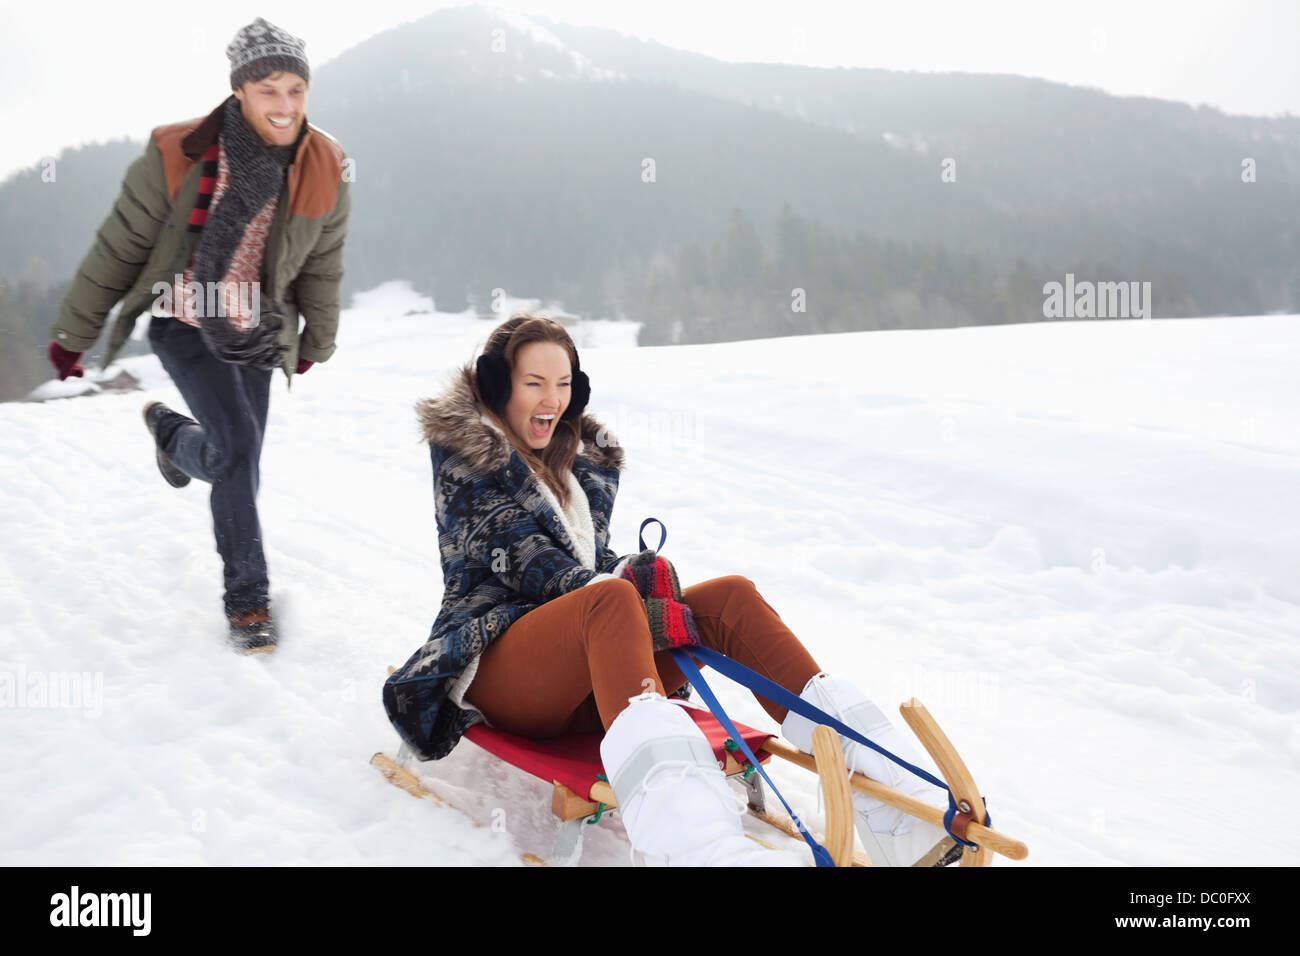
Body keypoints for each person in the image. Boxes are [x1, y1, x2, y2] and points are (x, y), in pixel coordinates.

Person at [383, 314, 961, 866]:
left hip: (587, 680)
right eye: (533, 383)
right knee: (611, 599)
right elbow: (524, 560)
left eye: (562, 385)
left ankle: (894, 807)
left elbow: (587, 563)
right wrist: (621, 585)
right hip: (502, 669)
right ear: (496, 385)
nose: (551, 400)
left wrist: (635, 568)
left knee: (728, 597)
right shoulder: (467, 460)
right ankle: (698, 848)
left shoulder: (570, 468)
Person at [46, 18, 350, 653]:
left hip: (256, 332)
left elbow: (323, 262)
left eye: (297, 89)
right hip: (184, 321)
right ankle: (247, 601)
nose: (286, 105)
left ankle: (172, 436)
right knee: (237, 452)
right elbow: (120, 248)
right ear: (239, 90)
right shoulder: (176, 153)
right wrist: (75, 333)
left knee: (236, 461)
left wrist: (316, 341)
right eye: (270, 89)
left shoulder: (325, 163)